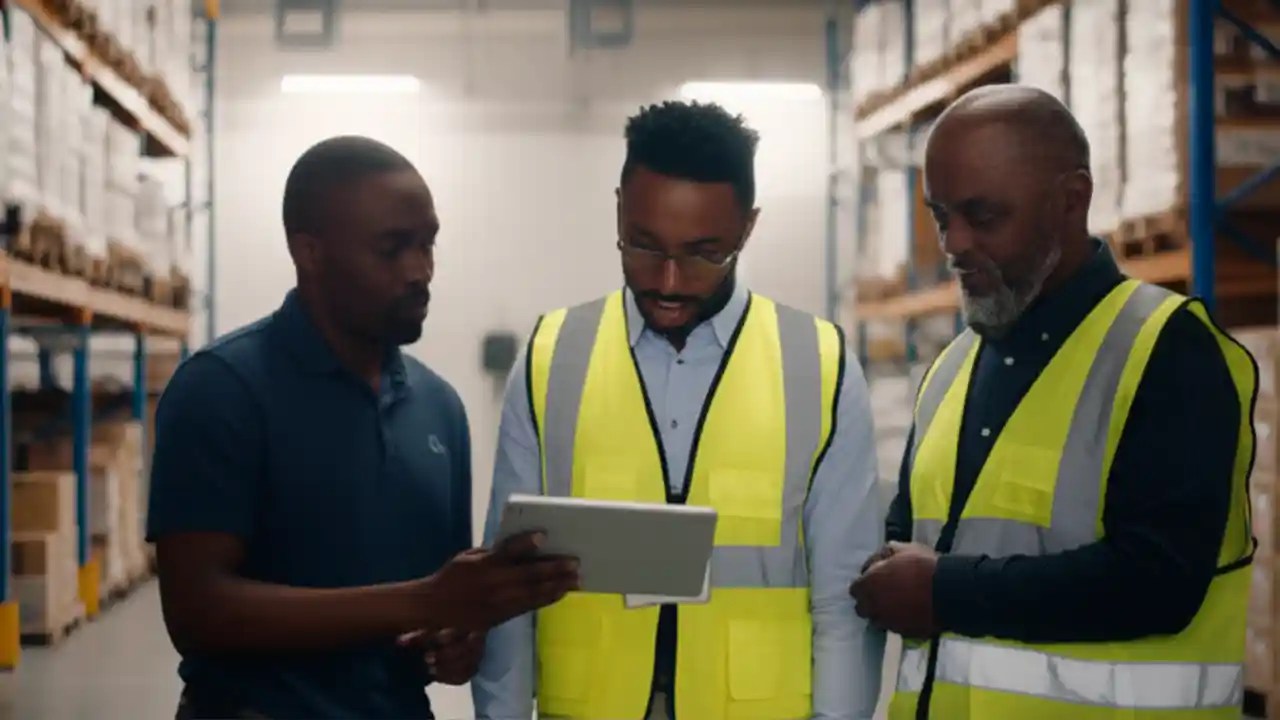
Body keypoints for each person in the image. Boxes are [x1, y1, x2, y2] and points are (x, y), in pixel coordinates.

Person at [850, 84, 1257, 719]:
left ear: (1072, 200)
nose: (954, 243)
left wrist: (948, 591)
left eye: (983, 217)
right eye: (940, 216)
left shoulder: (1166, 349)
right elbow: (912, 544)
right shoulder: (951, 369)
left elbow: (1160, 579)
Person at [471, 100, 886, 720]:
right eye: (642, 246)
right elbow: (508, 594)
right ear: (618, 208)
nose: (667, 280)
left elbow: (844, 604)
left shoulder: (818, 365)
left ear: (748, 227)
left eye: (702, 254)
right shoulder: (552, 357)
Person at [147, 136, 580, 720]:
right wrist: (422, 600)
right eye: (392, 249)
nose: (420, 271)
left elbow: (435, 611)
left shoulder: (440, 410)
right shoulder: (221, 390)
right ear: (310, 252)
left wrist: (456, 639)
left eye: (428, 245)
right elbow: (197, 613)